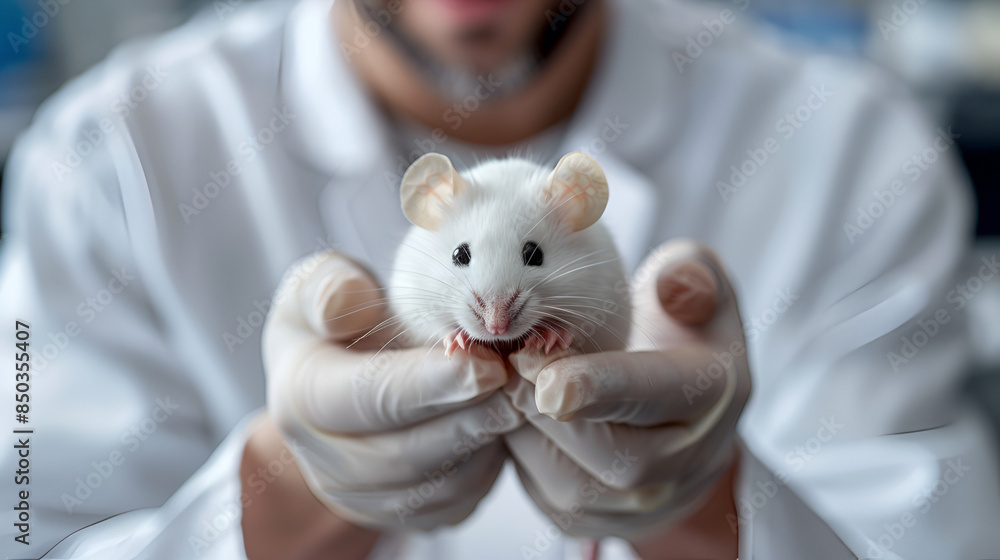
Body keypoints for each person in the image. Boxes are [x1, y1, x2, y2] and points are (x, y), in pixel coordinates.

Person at [1, 0, 998, 558]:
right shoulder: (103, 157)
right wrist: (284, 489)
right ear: (428, 209)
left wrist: (704, 503)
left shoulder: (854, 148)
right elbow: (30, 529)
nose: (497, 302)